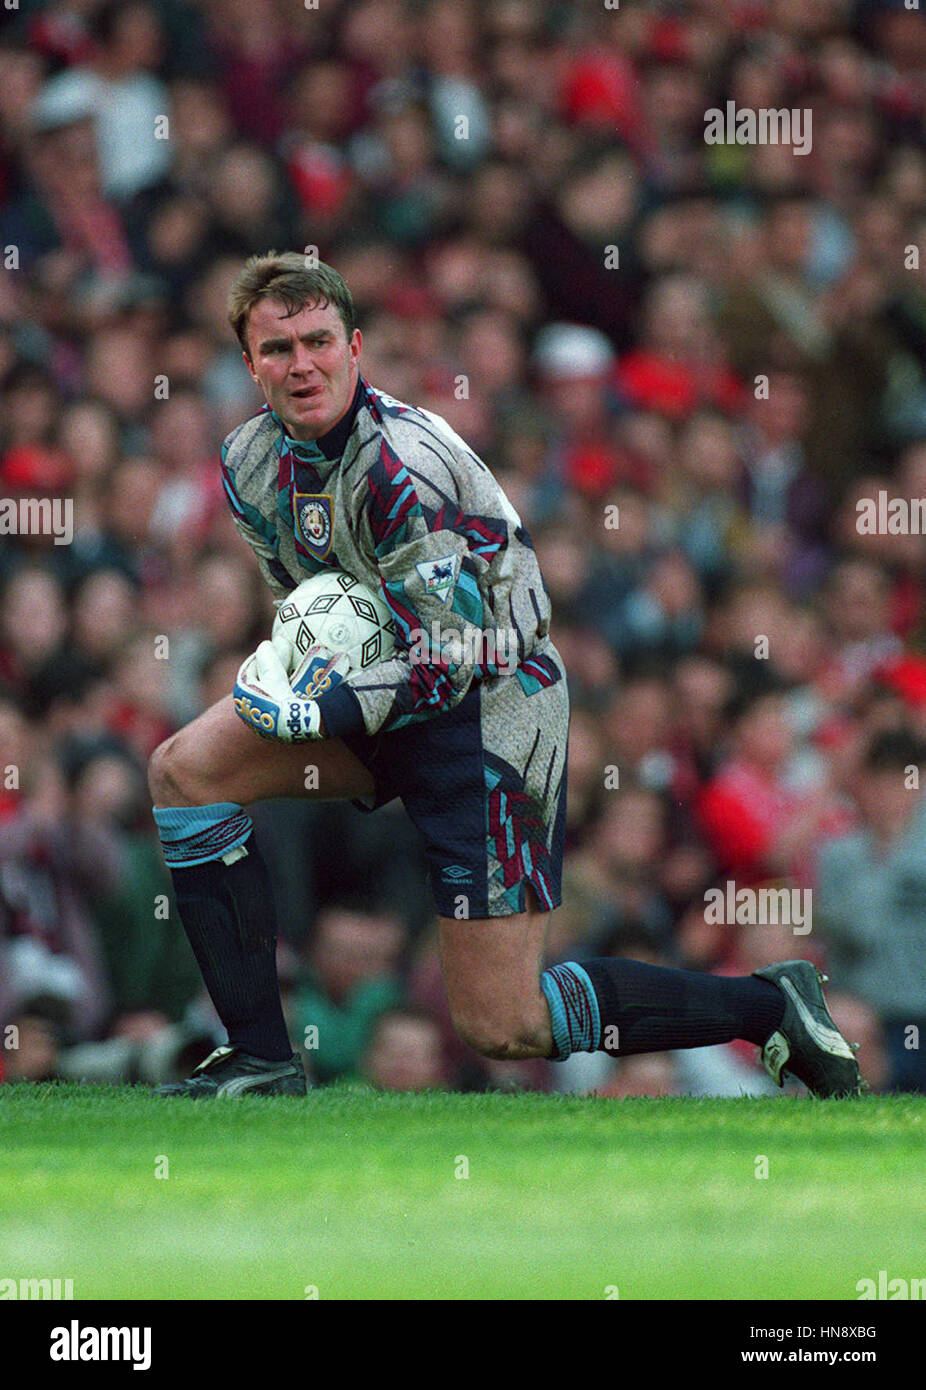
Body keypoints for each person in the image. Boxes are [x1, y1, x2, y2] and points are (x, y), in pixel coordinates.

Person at [147, 251, 862, 1099]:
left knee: (504, 1022)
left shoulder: (404, 464)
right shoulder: (248, 463)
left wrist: (325, 705)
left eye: (318, 341)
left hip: (492, 711)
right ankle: (261, 1058)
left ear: (355, 346)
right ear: (249, 366)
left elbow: (451, 652)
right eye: (277, 349)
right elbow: (312, 601)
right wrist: (301, 676)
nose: (301, 365)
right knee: (184, 771)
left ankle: (768, 1006)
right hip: (378, 696)